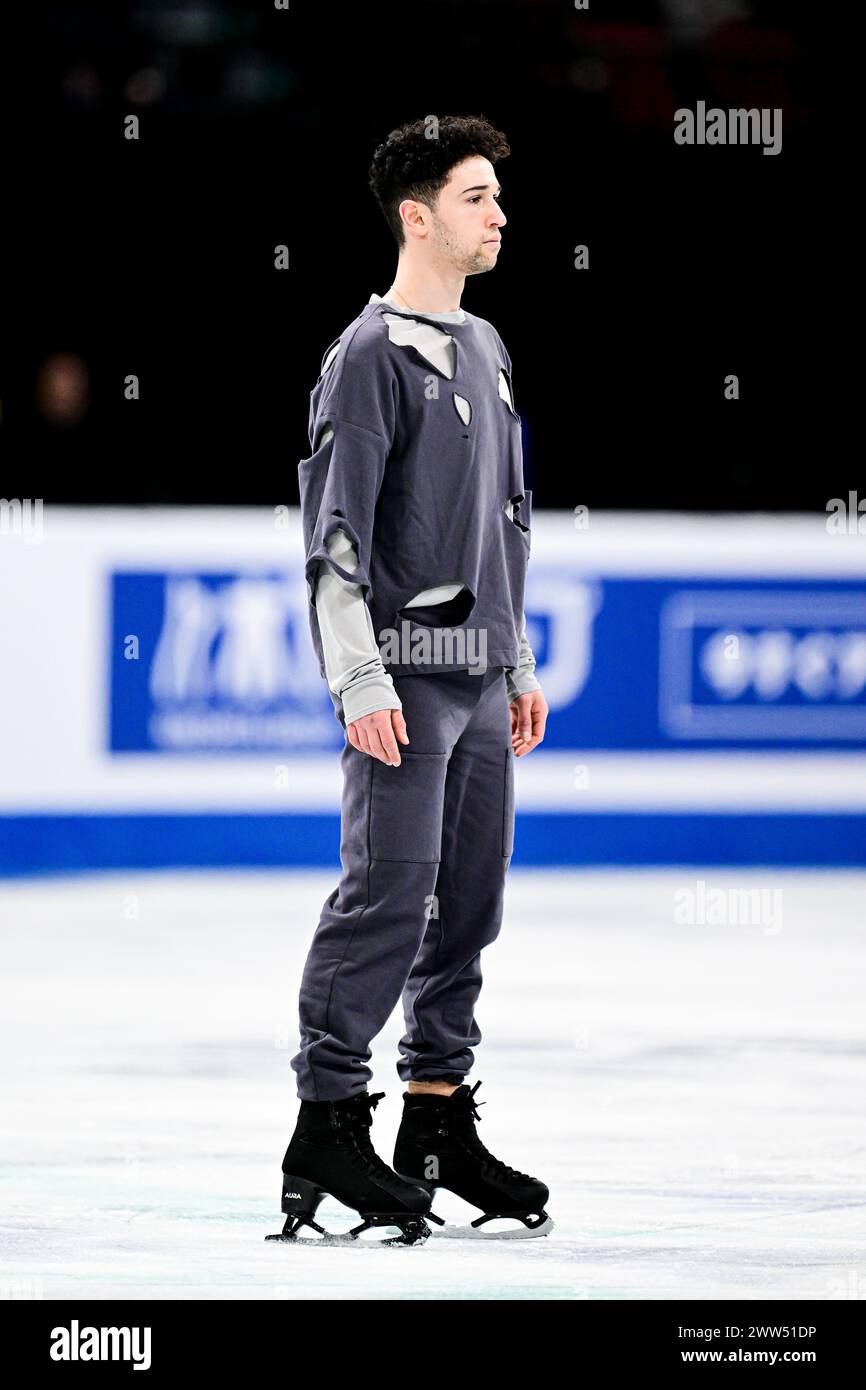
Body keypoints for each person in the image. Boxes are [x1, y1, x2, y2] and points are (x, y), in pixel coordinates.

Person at [267, 115, 552, 1247]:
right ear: (417, 215)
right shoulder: (365, 356)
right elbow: (332, 536)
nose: (497, 215)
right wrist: (358, 679)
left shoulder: (483, 347)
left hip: (480, 676)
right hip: (403, 680)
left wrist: (517, 655)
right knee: (388, 893)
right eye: (478, 196)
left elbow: (506, 521)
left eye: (495, 196)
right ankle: (326, 1118)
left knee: (467, 901)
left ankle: (433, 1115)